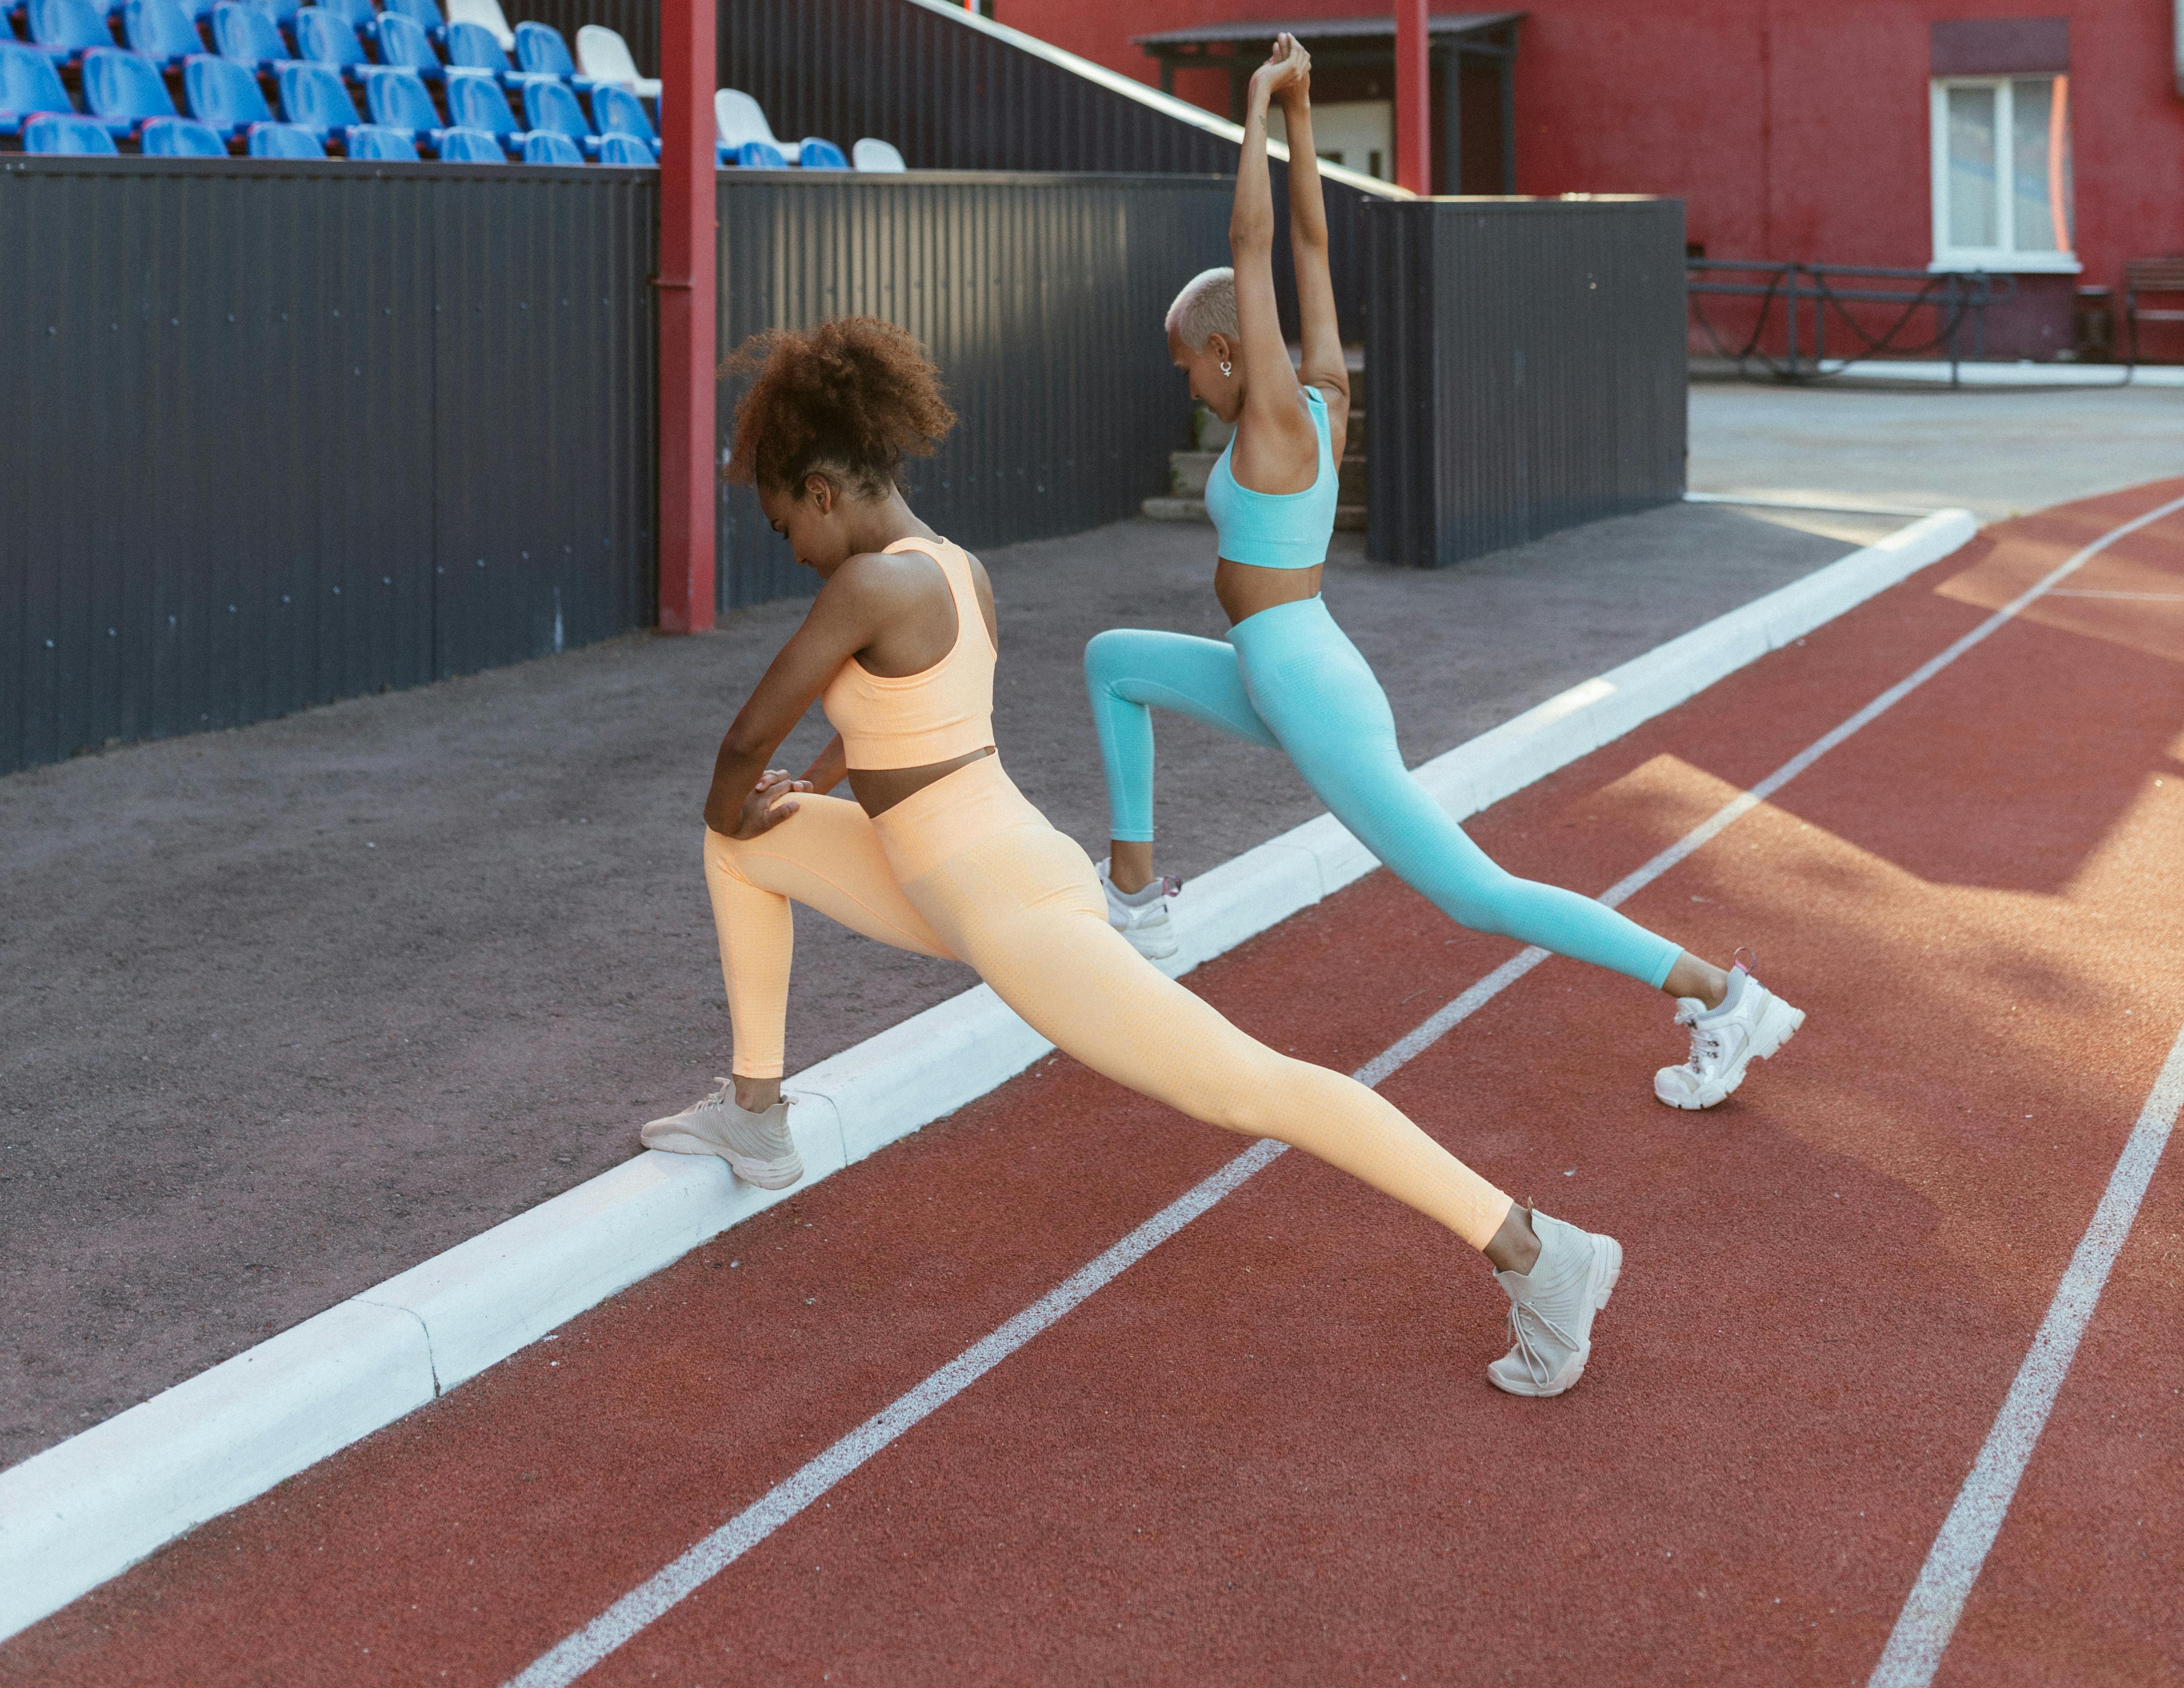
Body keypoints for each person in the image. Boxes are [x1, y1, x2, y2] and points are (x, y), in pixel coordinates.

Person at [640, 315, 1623, 1397]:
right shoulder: (953, 570)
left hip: (1004, 904)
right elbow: (896, 719)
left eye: (784, 524)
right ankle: (756, 1112)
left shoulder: (869, 585)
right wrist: (803, 797)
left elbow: (744, 739)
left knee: (1253, 1088)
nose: (789, 547)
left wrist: (741, 797)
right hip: (963, 872)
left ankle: (1534, 1248)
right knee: (747, 854)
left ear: (821, 492)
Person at [1086, 37, 1804, 1114]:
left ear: (1230, 354)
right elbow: (1312, 246)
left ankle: (1716, 991)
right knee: (1114, 663)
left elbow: (1257, 243)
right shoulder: (1323, 394)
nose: (1181, 376)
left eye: (1184, 357)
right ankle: (1134, 893)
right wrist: (1299, 116)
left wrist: (1252, 104)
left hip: (1307, 685)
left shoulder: (1279, 417)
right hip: (1285, 666)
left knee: (1474, 894)